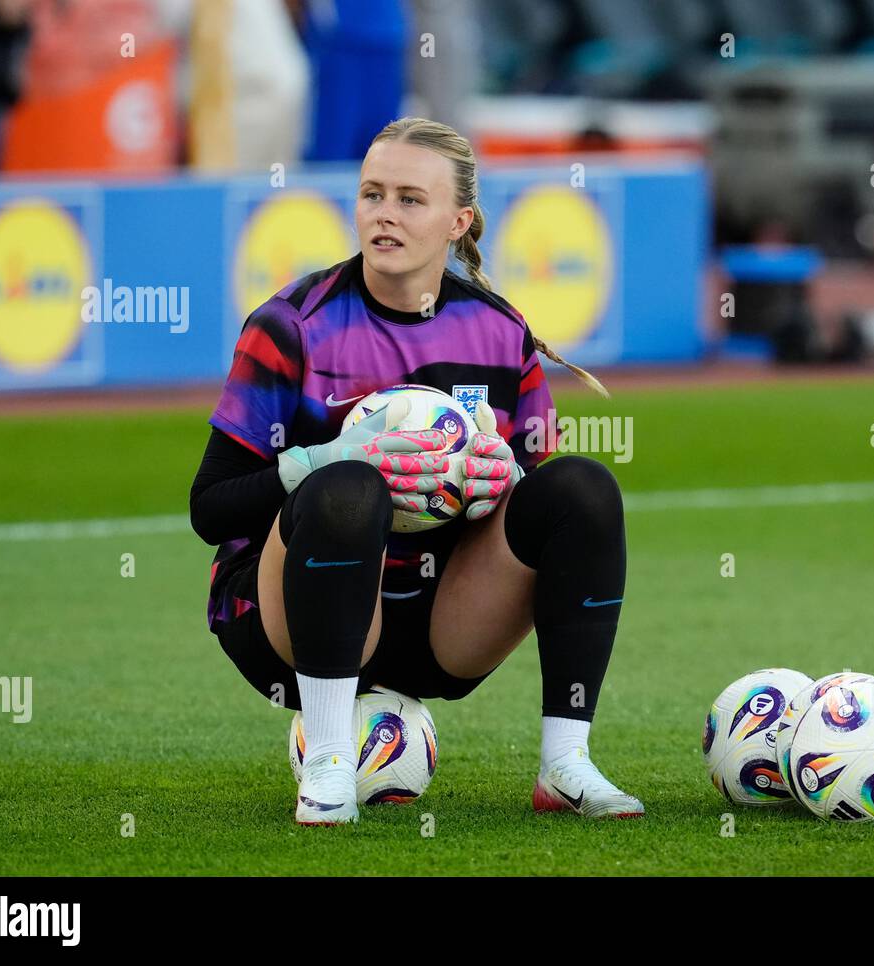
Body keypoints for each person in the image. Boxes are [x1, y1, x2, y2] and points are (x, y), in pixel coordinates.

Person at [189, 117, 644, 824]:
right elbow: (209, 508)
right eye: (372, 194)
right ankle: (331, 760)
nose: (384, 215)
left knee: (583, 489)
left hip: (439, 623)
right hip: (286, 622)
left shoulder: (500, 332)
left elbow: (546, 516)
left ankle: (566, 762)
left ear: (458, 221)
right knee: (348, 486)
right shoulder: (291, 325)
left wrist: (506, 481)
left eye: (409, 199)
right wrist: (323, 461)